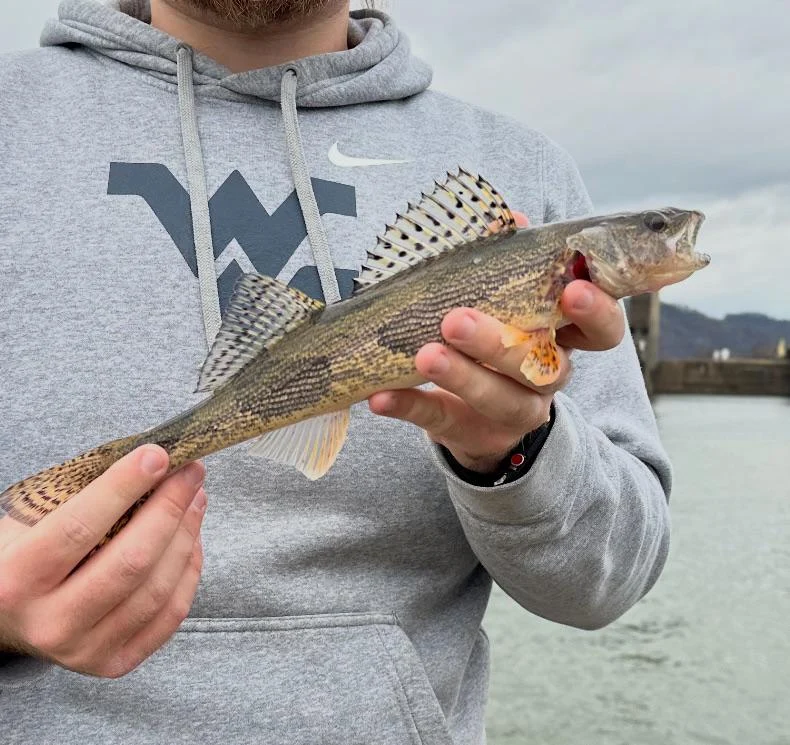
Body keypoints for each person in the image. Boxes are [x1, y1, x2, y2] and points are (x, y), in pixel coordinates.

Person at [0, 1, 673, 743]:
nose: (665, 237)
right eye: (655, 229)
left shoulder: (525, 174)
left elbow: (605, 583)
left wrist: (520, 449)